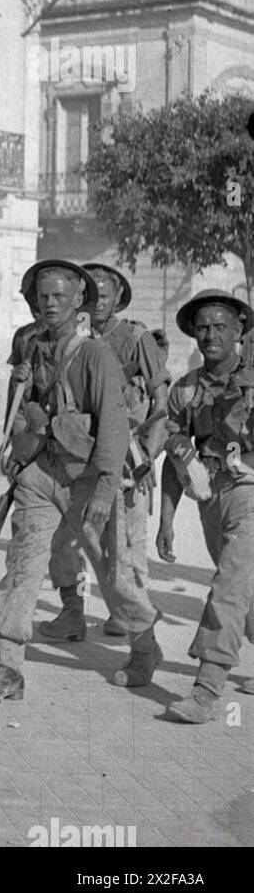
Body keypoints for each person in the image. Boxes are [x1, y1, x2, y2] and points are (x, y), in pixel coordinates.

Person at [0, 259, 162, 704]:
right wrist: (18, 391)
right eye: (43, 296)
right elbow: (18, 424)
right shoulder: (33, 350)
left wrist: (106, 488)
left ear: (79, 300)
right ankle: (7, 667)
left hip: (87, 479)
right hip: (41, 475)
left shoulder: (95, 355)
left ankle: (145, 646)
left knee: (113, 576)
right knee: (21, 569)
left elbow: (113, 424)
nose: (49, 303)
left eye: (58, 296)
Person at [37, 262, 169, 642]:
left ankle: (137, 633)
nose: (96, 303)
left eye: (104, 295)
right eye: (90, 294)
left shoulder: (136, 338)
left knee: (122, 551)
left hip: (124, 459)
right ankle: (72, 613)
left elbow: (161, 405)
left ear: (117, 300)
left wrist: (146, 457)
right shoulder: (70, 340)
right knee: (63, 545)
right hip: (76, 462)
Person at [158, 290, 254, 723]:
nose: (211, 335)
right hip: (210, 495)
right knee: (243, 586)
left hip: (250, 493)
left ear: (238, 331)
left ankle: (207, 688)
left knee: (229, 586)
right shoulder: (187, 388)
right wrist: (165, 519)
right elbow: (173, 453)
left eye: (220, 327)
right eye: (203, 327)